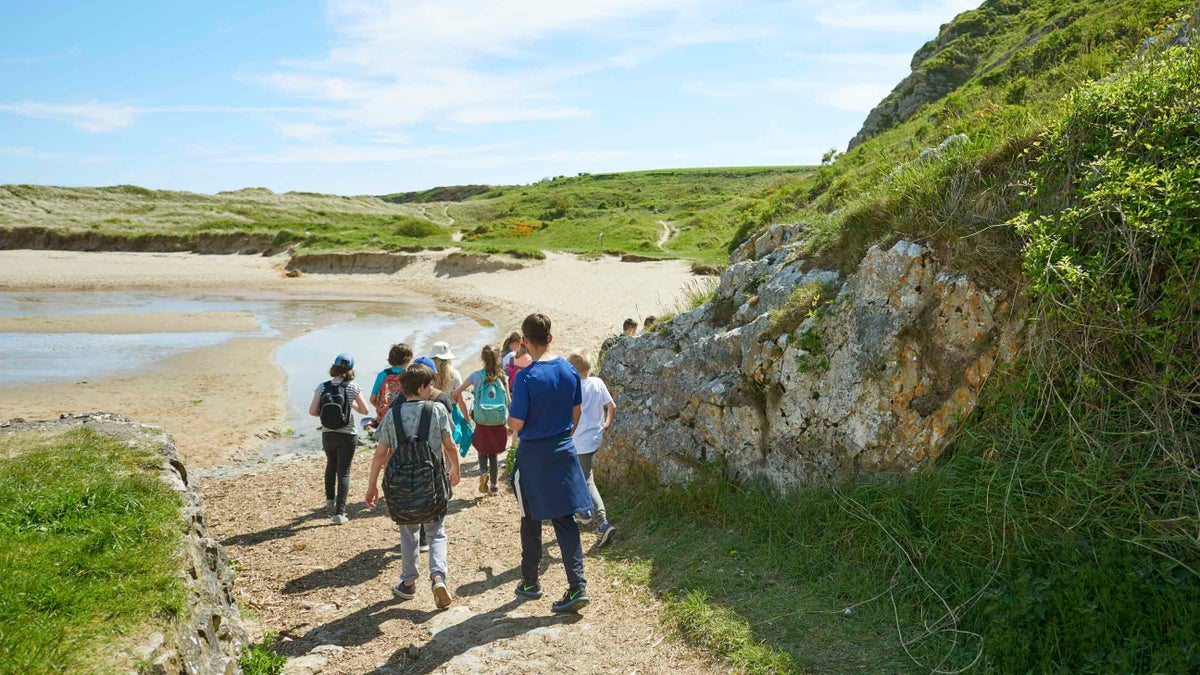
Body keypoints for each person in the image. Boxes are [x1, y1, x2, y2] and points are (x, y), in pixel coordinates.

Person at [509, 313, 593, 613]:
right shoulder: (570, 371)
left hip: (533, 455)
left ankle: (531, 582)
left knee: (530, 518)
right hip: (563, 449)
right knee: (564, 519)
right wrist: (562, 435)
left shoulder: (526, 378)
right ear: (551, 338)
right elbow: (576, 415)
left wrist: (513, 419)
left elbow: (516, 423)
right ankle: (577, 586)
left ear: (525, 342)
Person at [365, 364, 461, 608]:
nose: (432, 389)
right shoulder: (437, 410)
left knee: (408, 534)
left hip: (402, 485)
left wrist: (372, 486)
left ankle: (408, 583)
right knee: (436, 532)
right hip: (432, 483)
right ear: (421, 387)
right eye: (430, 385)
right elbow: (449, 445)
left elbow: (380, 454)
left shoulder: (392, 414)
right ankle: (438, 577)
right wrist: (455, 469)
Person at [390, 355, 456, 554]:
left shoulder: (401, 399)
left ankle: (417, 537)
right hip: (433, 459)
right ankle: (427, 538)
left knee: (413, 492)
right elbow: (448, 436)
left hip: (405, 460)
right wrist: (453, 465)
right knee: (430, 493)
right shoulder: (441, 398)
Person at [308, 353, 370, 524]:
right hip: (348, 434)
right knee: (344, 472)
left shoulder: (322, 386)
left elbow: (312, 412)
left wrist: (328, 415)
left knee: (331, 465)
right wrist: (350, 405)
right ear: (351, 369)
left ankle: (329, 500)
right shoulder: (353, 387)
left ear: (333, 367)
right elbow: (365, 411)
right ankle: (339, 513)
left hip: (328, 433)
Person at [567, 351, 617, 547]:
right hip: (595, 438)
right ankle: (584, 513)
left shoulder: (572, 387)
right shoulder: (597, 382)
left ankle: (603, 522)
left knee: (587, 480)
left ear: (572, 369)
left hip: (579, 442)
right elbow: (611, 406)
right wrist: (606, 424)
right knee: (579, 474)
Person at [453, 345, 509, 496]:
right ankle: (494, 486)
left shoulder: (476, 375)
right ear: (498, 358)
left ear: (483, 358)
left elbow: (457, 392)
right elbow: (508, 401)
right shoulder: (503, 377)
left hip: (481, 419)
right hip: (498, 420)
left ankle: (483, 471)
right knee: (494, 453)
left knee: (482, 448)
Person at [369, 343, 412, 423]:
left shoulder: (382, 375)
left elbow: (372, 399)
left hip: (385, 419)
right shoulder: (410, 375)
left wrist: (382, 409)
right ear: (408, 359)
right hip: (404, 417)